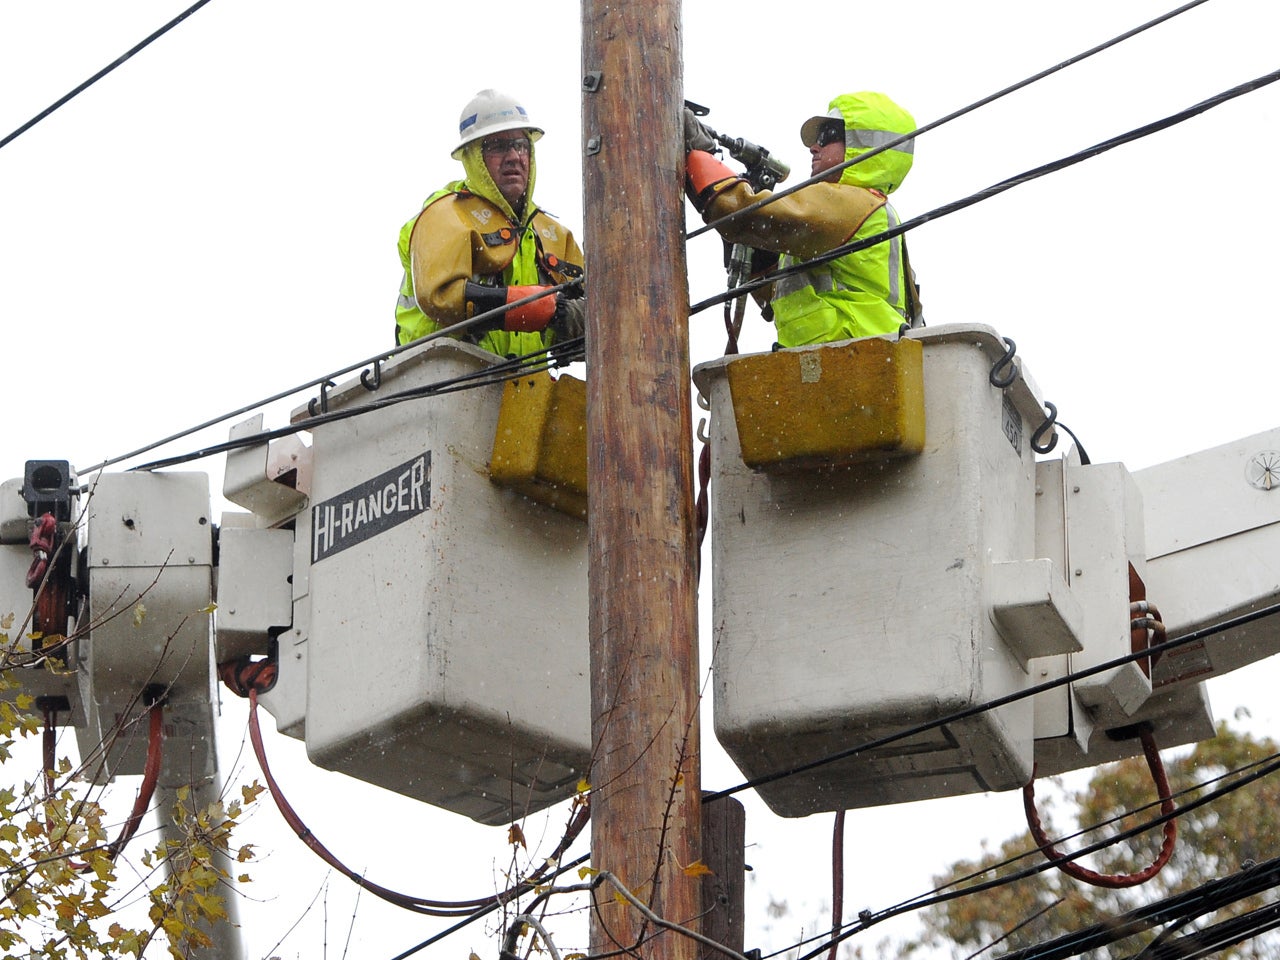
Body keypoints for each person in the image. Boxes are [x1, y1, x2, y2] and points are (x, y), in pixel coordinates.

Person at [684, 92, 922, 348]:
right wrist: (751, 241)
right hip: (851, 358)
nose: (814, 147)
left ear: (861, 144)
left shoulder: (852, 202)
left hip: (851, 355)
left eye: (827, 136)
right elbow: (776, 299)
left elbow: (736, 212)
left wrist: (702, 154)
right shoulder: (869, 212)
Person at [395, 89, 586, 356]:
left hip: (523, 387)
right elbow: (441, 299)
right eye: (498, 147)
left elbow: (585, 325)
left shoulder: (552, 234)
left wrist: (581, 321)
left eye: (521, 145)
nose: (513, 156)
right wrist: (544, 309)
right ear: (473, 157)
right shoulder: (445, 215)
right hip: (443, 378)